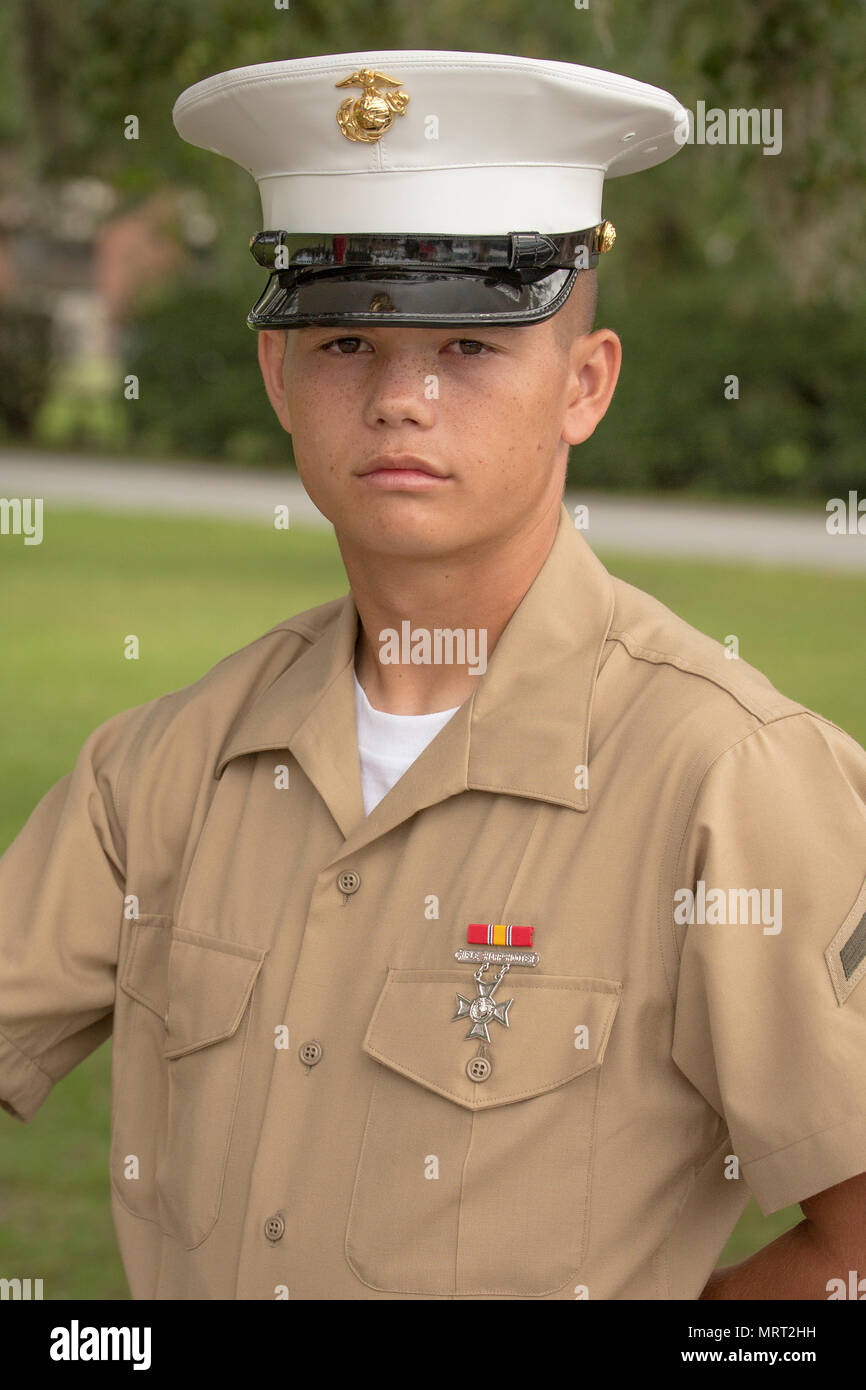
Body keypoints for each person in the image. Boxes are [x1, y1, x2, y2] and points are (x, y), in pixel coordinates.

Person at [2, 49, 865, 1301]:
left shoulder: (728, 778)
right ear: (278, 377)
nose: (403, 397)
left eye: (469, 342)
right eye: (346, 339)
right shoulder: (163, 765)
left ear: (584, 385)